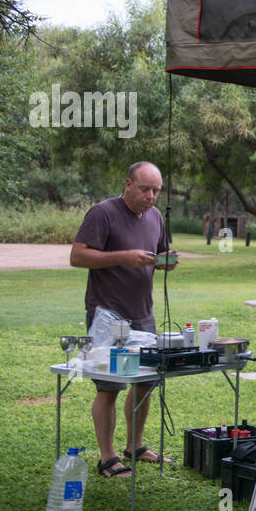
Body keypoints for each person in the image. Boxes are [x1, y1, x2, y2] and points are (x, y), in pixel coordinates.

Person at [70, 162, 177, 478]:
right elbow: (77, 256)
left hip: (143, 313)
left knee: (145, 383)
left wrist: (165, 263)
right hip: (108, 316)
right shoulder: (102, 213)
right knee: (109, 387)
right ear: (129, 183)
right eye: (145, 189)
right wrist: (123, 256)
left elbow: (157, 254)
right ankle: (107, 458)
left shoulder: (156, 217)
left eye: (156, 190)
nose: (151, 196)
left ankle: (135, 446)